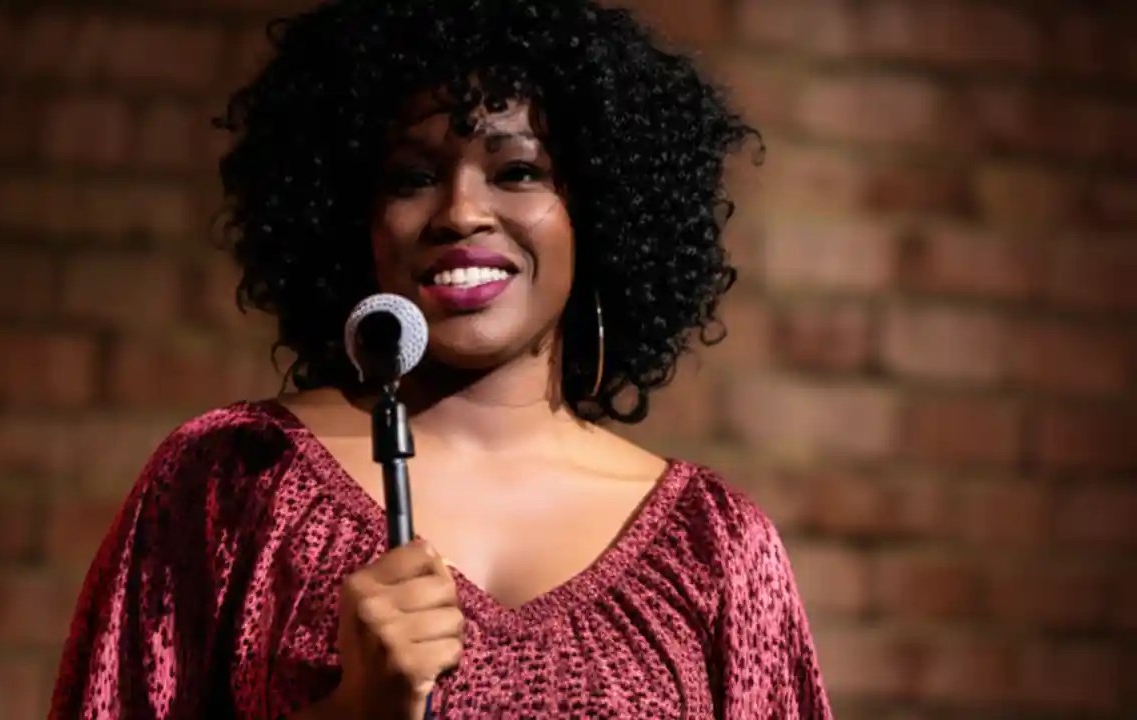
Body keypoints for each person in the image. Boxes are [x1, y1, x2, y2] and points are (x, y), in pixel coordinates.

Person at [48, 0, 831, 717]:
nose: (460, 211)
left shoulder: (714, 549)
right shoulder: (230, 481)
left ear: (600, 209)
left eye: (517, 171)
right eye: (413, 176)